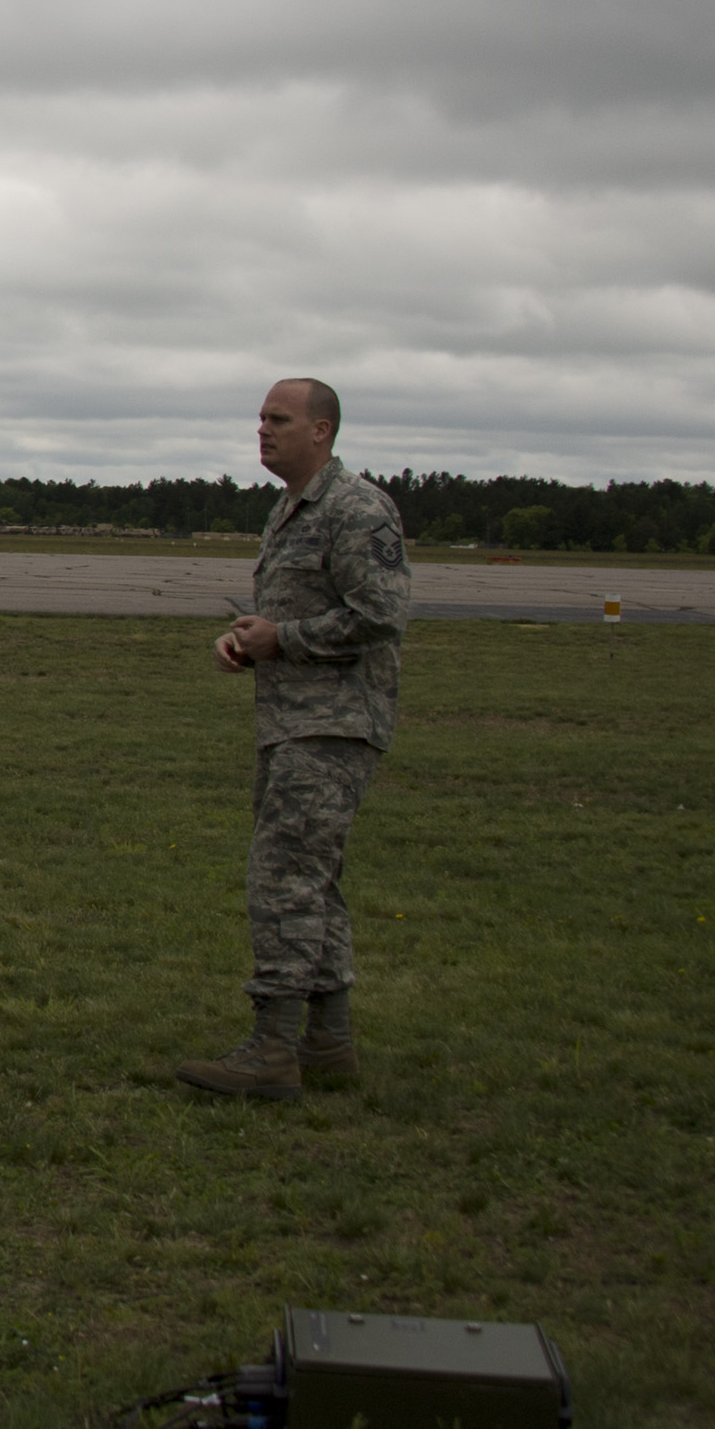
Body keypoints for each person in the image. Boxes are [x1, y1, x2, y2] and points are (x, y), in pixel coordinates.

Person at [180, 378, 410, 1099]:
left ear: (323, 431)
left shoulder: (357, 507)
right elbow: (293, 615)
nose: (263, 429)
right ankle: (328, 1042)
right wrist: (249, 642)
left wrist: (288, 639)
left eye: (279, 419)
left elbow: (380, 614)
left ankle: (274, 1048)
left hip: (334, 723)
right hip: (293, 721)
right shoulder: (289, 510)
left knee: (281, 877)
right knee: (314, 881)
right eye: (260, 418)